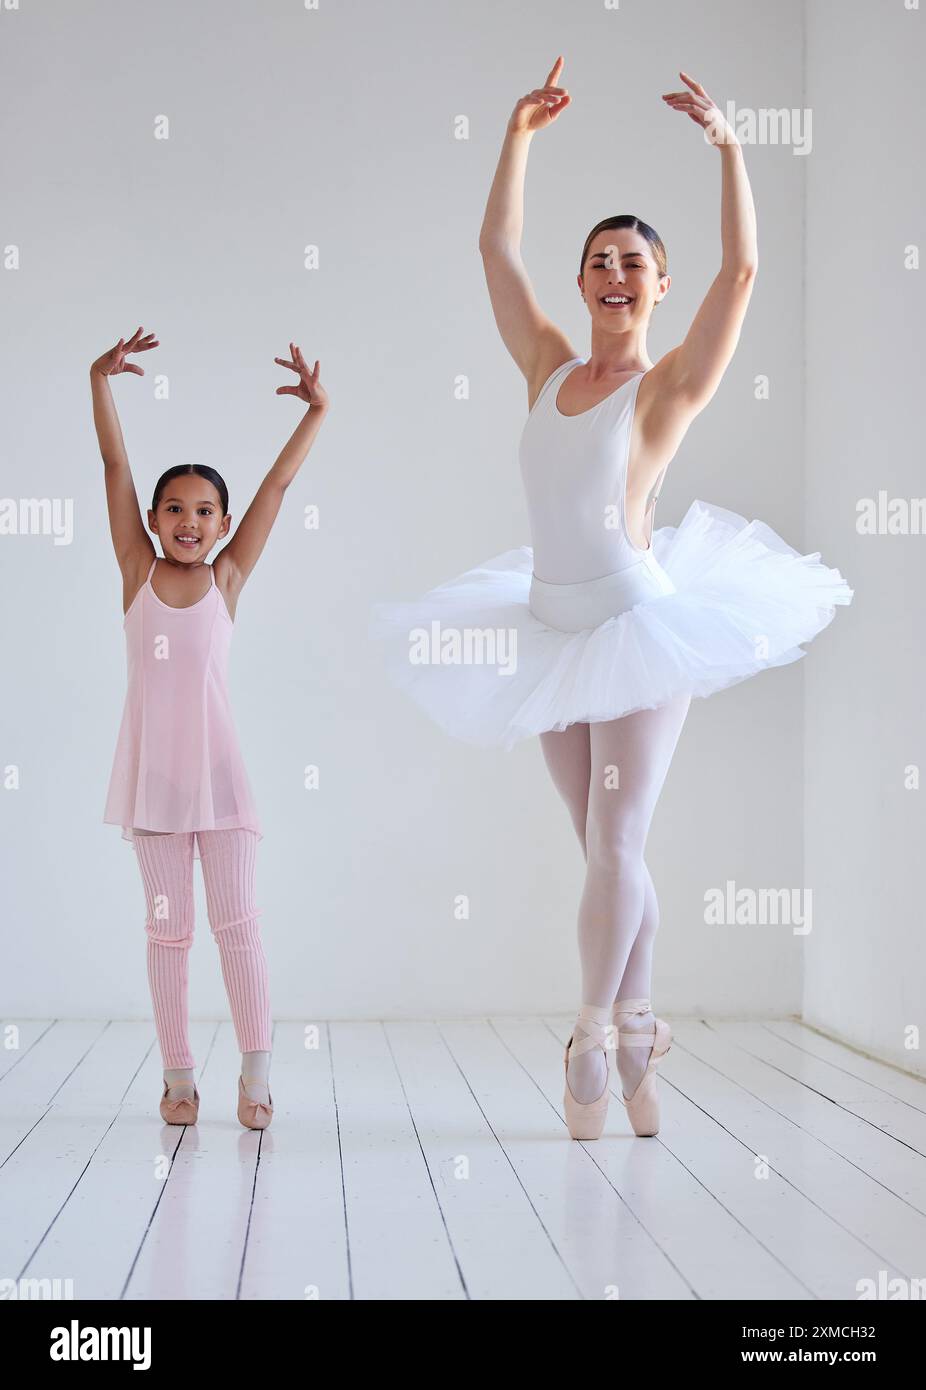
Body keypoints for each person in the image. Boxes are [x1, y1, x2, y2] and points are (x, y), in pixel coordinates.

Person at [371, 61, 853, 1140]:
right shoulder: (544, 364)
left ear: (655, 285)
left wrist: (728, 150)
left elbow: (740, 271)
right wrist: (517, 136)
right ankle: (641, 1031)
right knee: (606, 853)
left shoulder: (663, 388)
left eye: (633, 261)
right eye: (598, 261)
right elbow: (494, 253)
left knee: (617, 837)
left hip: (636, 630)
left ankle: (588, 1036)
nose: (613, 274)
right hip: (546, 632)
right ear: (582, 283)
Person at [94, 328, 328, 1129]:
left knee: (238, 928)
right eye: (174, 509)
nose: (188, 521)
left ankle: (257, 1077)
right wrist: (102, 383)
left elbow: (279, 483)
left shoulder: (229, 577)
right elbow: (115, 468)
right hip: (155, 790)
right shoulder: (137, 574)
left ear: (223, 525)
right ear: (154, 521)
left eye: (204, 511)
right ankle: (178, 1080)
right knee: (170, 937)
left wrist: (316, 411)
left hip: (222, 787)